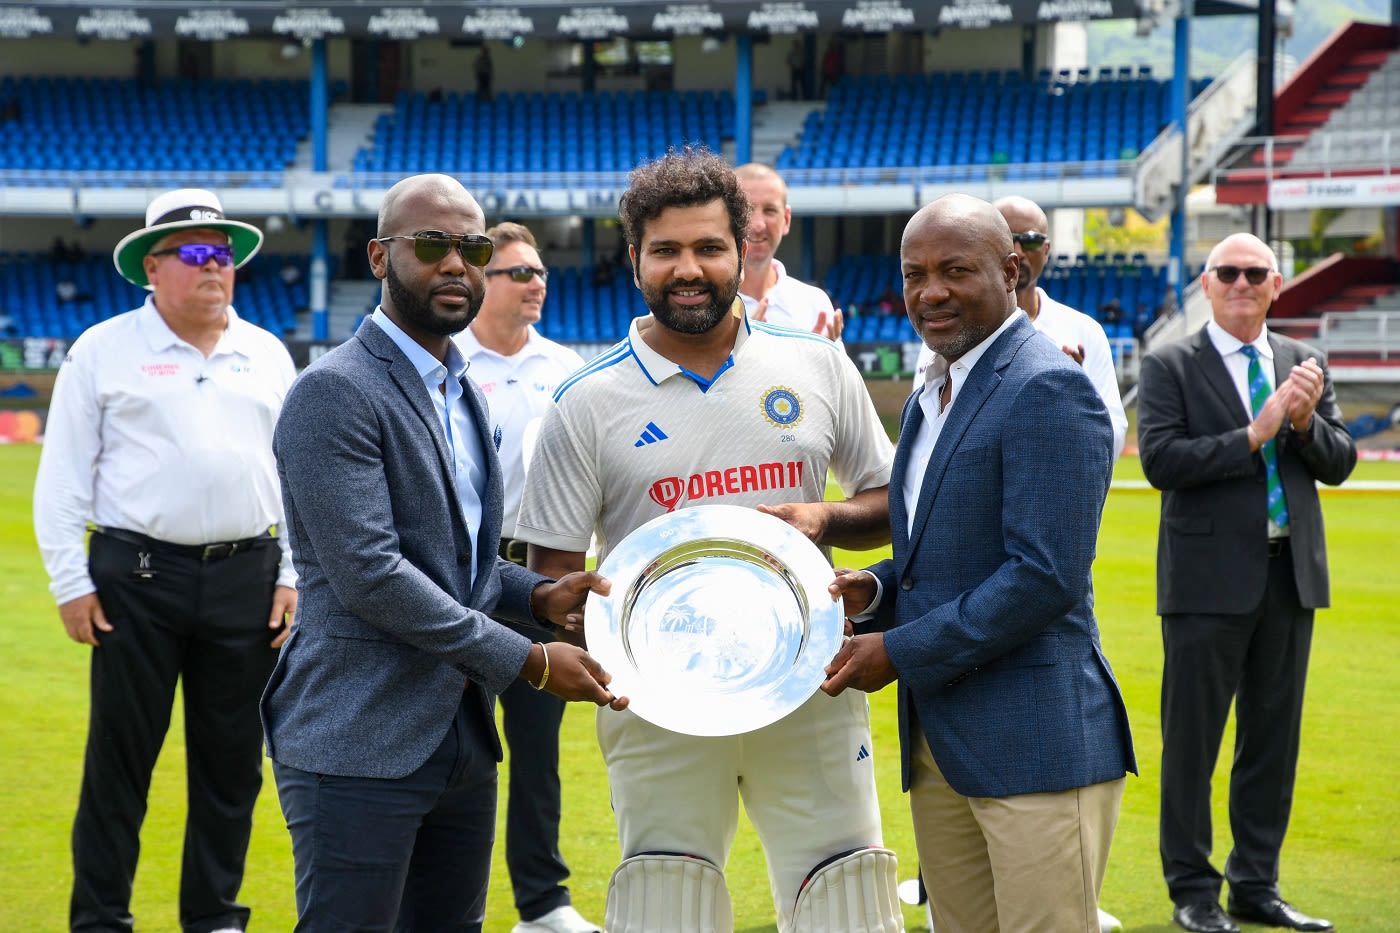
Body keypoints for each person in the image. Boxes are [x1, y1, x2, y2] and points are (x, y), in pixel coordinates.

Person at [515, 147, 903, 933]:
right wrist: (608, 628)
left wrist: (822, 519)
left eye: (708, 247)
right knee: (667, 902)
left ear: (743, 247)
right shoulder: (583, 403)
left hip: (810, 681)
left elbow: (894, 500)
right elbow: (551, 573)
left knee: (847, 898)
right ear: (634, 260)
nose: (688, 268)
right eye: (666, 250)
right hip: (658, 696)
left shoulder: (817, 364)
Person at [262, 174, 627, 932]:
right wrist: (527, 658)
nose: (456, 264)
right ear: (378, 257)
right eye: (432, 245)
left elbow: (460, 563)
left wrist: (536, 596)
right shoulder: (334, 391)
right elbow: (373, 575)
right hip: (357, 733)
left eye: (473, 247)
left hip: (459, 732)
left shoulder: (462, 390)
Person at [823, 193, 1136, 933]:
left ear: (1013, 268)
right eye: (913, 274)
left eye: (955, 269)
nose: (930, 292)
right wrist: (875, 586)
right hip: (942, 741)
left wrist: (895, 648)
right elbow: (941, 554)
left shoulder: (1048, 385)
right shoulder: (937, 390)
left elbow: (1044, 576)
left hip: (1035, 744)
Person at [33, 187, 299, 933]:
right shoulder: (103, 349)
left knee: (232, 764)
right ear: (153, 267)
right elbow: (62, 479)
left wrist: (292, 575)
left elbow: (298, 480)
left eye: (224, 253)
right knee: (120, 763)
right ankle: (100, 919)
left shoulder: (267, 352)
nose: (215, 266)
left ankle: (214, 915)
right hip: (135, 579)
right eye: (195, 252)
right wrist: (69, 581)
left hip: (249, 575)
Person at [1138, 233, 1355, 933]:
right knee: (1193, 744)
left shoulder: (1302, 362)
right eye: (1227, 272)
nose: (1240, 282)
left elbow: (1340, 460)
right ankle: (1193, 891)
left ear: (1275, 284)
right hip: (1205, 582)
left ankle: (1255, 884)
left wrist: (1300, 425)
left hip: (1289, 577)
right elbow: (1161, 461)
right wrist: (1254, 435)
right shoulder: (1170, 361)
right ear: (1206, 284)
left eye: (1254, 273)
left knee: (1271, 739)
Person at [450, 222, 598, 933]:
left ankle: (543, 903)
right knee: (457, 744)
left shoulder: (564, 367)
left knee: (537, 752)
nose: (536, 282)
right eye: (519, 273)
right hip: (463, 575)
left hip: (541, 573)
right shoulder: (446, 362)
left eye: (540, 272)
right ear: (483, 282)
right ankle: (451, 901)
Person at [913, 195, 1127, 460]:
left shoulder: (1085, 332)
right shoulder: (951, 333)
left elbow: (1112, 441)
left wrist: (1076, 396)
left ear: (1046, 249)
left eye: (1030, 240)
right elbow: (926, 434)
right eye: (1006, 237)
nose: (1018, 249)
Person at [734, 162, 843, 341]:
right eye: (746, 210)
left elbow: (835, 370)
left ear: (786, 219)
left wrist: (820, 363)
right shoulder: (705, 304)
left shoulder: (814, 304)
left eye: (770, 210)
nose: (758, 225)